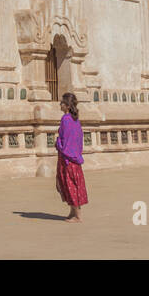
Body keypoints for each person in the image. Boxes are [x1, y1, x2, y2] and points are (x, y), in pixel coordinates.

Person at [55, 91, 88, 221]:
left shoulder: (65, 119)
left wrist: (58, 143)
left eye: (62, 103)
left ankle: (78, 216)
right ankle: (72, 212)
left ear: (67, 105)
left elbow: (64, 140)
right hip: (74, 157)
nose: (60, 105)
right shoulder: (75, 120)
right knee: (74, 184)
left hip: (67, 158)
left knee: (70, 185)